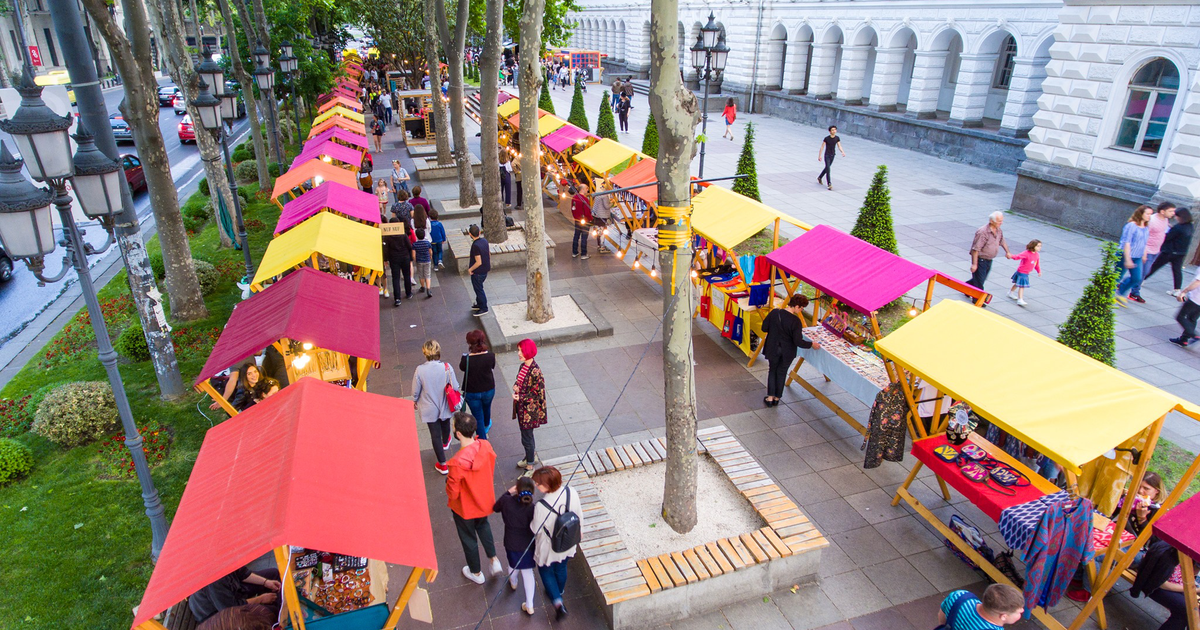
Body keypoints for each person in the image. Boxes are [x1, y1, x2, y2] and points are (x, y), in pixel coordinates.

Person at [446, 412, 503, 585]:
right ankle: (493, 559)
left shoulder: (456, 463)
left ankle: (476, 572)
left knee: (468, 538)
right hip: (483, 499)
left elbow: (453, 493)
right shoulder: (485, 446)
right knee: (483, 526)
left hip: (464, 508)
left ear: (458, 434)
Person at [531, 466, 583, 620]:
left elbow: (535, 529)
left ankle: (558, 603)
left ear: (547, 486)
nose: (536, 485)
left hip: (549, 547)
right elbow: (579, 514)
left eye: (538, 483)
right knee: (561, 567)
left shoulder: (541, 506)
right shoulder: (571, 492)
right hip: (568, 541)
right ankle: (559, 591)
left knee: (546, 571)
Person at [760, 295, 819, 407]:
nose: (801, 310)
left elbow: (764, 328)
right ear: (796, 306)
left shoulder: (774, 313)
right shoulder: (796, 321)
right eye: (801, 308)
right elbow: (798, 341)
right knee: (782, 372)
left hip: (773, 348)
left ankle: (770, 397)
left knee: (772, 370)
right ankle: (777, 397)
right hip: (787, 351)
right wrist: (811, 344)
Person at [412, 340, 460, 474]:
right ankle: (446, 441)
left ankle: (443, 464)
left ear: (425, 354)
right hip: (445, 403)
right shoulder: (446, 367)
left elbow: (415, 391)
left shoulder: (420, 370)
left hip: (429, 406)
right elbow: (455, 386)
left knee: (434, 435)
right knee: (445, 423)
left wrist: (415, 400)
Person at [494, 476, 537, 615]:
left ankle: (513, 582)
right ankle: (530, 605)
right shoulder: (533, 508)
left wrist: (507, 492)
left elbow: (495, 507)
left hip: (511, 541)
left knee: (513, 565)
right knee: (528, 572)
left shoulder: (507, 501)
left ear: (517, 490)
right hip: (528, 543)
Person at [188, 566, 282, 624]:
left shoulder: (223, 557)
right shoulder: (213, 582)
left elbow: (243, 573)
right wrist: (261, 599)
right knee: (269, 611)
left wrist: (266, 582)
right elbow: (230, 608)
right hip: (218, 616)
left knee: (273, 574)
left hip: (233, 591)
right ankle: (281, 618)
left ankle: (282, 605)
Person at [512, 339, 546, 470]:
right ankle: (529, 457)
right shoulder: (523, 366)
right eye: (519, 350)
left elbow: (537, 394)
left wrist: (520, 396)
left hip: (529, 412)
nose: (518, 353)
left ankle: (530, 465)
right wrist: (516, 386)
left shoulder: (535, 371)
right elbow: (519, 381)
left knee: (527, 437)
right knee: (525, 436)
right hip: (522, 409)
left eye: (521, 350)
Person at [1147, 208, 1194, 297]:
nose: (1175, 217)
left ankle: (1142, 279)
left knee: (1155, 266)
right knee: (1177, 270)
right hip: (1180, 252)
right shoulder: (1189, 226)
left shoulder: (1178, 227)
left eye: (1176, 215)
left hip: (1169, 251)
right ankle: (1177, 289)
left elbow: (1168, 237)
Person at [460, 330, 497, 439]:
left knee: (477, 417)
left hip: (472, 393)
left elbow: (462, 368)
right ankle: (487, 423)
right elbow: (492, 366)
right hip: (489, 389)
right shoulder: (491, 356)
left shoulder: (466, 359)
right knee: (487, 407)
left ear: (470, 344)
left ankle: (482, 441)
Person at [936, 584, 1025, 630]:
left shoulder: (959, 596)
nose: (1023, 610)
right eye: (1019, 612)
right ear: (1004, 616)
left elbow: (942, 616)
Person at [967, 211, 1013, 292]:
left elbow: (1002, 241)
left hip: (989, 259)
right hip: (981, 260)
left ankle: (966, 287)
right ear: (991, 221)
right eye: (999, 221)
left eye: (1002, 221)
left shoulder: (998, 230)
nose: (1001, 223)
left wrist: (1007, 252)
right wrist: (974, 264)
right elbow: (976, 249)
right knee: (979, 281)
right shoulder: (983, 232)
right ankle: (978, 299)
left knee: (980, 278)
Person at [1115, 205, 1152, 305]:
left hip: (1137, 256)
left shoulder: (1146, 226)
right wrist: (1127, 259)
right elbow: (1126, 242)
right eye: (1147, 214)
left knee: (1137, 278)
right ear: (1141, 213)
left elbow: (1144, 242)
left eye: (1151, 214)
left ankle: (1120, 292)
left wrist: (1144, 254)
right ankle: (1108, 295)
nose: (1149, 216)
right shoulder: (1131, 225)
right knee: (1117, 276)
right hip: (1125, 255)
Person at [384, 216, 414, 306]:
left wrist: (386, 259)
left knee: (395, 278)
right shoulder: (403, 235)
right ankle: (408, 293)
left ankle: (397, 298)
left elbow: (386, 249)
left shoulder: (388, 237)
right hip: (405, 257)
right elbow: (409, 246)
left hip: (394, 259)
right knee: (406, 275)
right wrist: (411, 258)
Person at [1169, 265, 1200, 347]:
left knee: (1180, 317)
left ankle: (1194, 335)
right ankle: (1184, 339)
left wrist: (1184, 291)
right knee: (1192, 318)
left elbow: (1197, 282)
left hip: (1196, 298)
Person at [1144, 202, 1177, 277]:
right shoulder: (1152, 220)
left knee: (1143, 273)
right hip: (1147, 250)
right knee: (1144, 272)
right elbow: (1143, 235)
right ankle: (1126, 286)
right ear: (1162, 212)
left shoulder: (1165, 219)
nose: (1173, 213)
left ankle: (1129, 285)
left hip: (1156, 250)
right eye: (1170, 211)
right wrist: (1144, 250)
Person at [1007, 240, 1043, 306]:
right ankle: (1020, 299)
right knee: (1022, 286)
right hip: (1022, 272)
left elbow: (1037, 264)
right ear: (1033, 246)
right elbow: (1017, 257)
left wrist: (1039, 271)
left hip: (1026, 272)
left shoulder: (1037, 255)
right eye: (1038, 246)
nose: (1039, 247)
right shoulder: (1026, 253)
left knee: (1017, 284)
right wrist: (1011, 256)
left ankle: (1010, 292)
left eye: (1040, 246)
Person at [468, 224, 491, 316]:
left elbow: (478, 262)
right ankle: (479, 304)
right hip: (485, 269)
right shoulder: (484, 241)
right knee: (479, 287)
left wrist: (470, 269)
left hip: (478, 272)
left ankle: (484, 307)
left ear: (470, 234)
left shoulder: (475, 246)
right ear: (480, 232)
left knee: (478, 289)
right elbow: (488, 254)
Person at [816, 125, 846, 190]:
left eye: (835, 130)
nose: (834, 131)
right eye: (832, 130)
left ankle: (820, 177)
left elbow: (839, 146)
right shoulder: (826, 138)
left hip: (833, 155)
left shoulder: (837, 138)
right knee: (828, 169)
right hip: (827, 155)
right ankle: (829, 183)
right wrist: (819, 156)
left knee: (827, 168)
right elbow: (822, 147)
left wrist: (842, 152)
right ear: (830, 131)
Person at [570, 186, 592, 259]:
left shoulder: (574, 197)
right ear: (582, 189)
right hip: (585, 220)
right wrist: (590, 219)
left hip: (577, 220)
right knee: (584, 237)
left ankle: (574, 252)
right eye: (586, 188)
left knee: (576, 235)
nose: (587, 190)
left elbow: (573, 209)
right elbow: (587, 211)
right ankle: (583, 254)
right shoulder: (585, 199)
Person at [591, 181, 612, 253]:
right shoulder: (605, 196)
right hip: (602, 216)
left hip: (596, 215)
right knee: (602, 231)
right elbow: (606, 206)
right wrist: (612, 203)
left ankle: (599, 245)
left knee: (598, 231)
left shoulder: (599, 194)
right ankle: (602, 247)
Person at [413, 228, 433, 298]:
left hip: (419, 261)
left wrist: (415, 260)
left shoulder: (415, 244)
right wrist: (430, 256)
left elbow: (413, 255)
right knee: (427, 275)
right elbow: (430, 251)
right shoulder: (427, 243)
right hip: (427, 260)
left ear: (416, 235)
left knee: (421, 275)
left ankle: (422, 287)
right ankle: (428, 289)